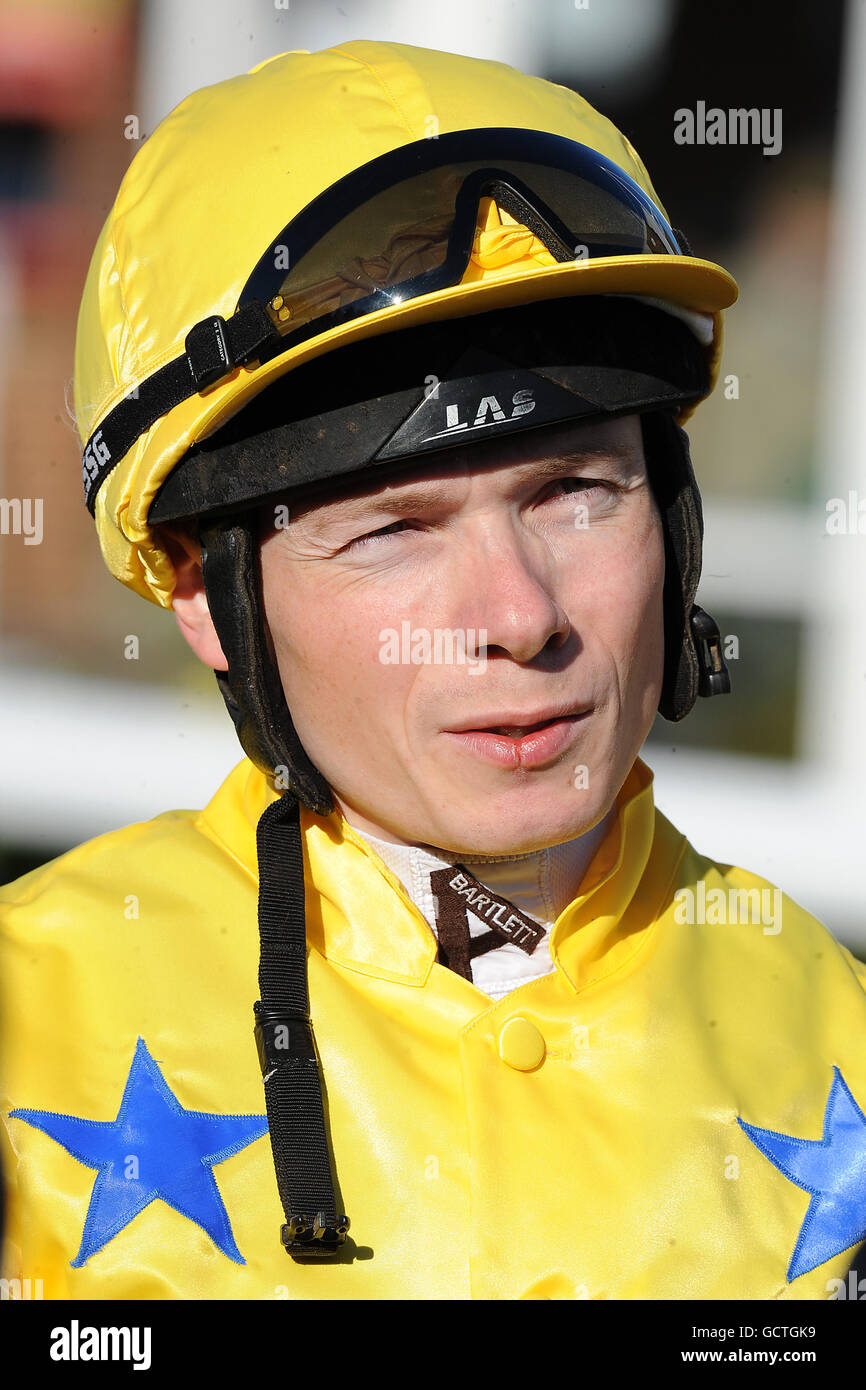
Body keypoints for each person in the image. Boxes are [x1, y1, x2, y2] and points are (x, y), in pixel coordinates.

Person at [1, 40, 864, 1302]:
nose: (518, 616)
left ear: (671, 520)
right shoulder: (26, 1023)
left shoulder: (837, 1032)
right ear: (203, 591)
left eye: (573, 492)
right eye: (393, 532)